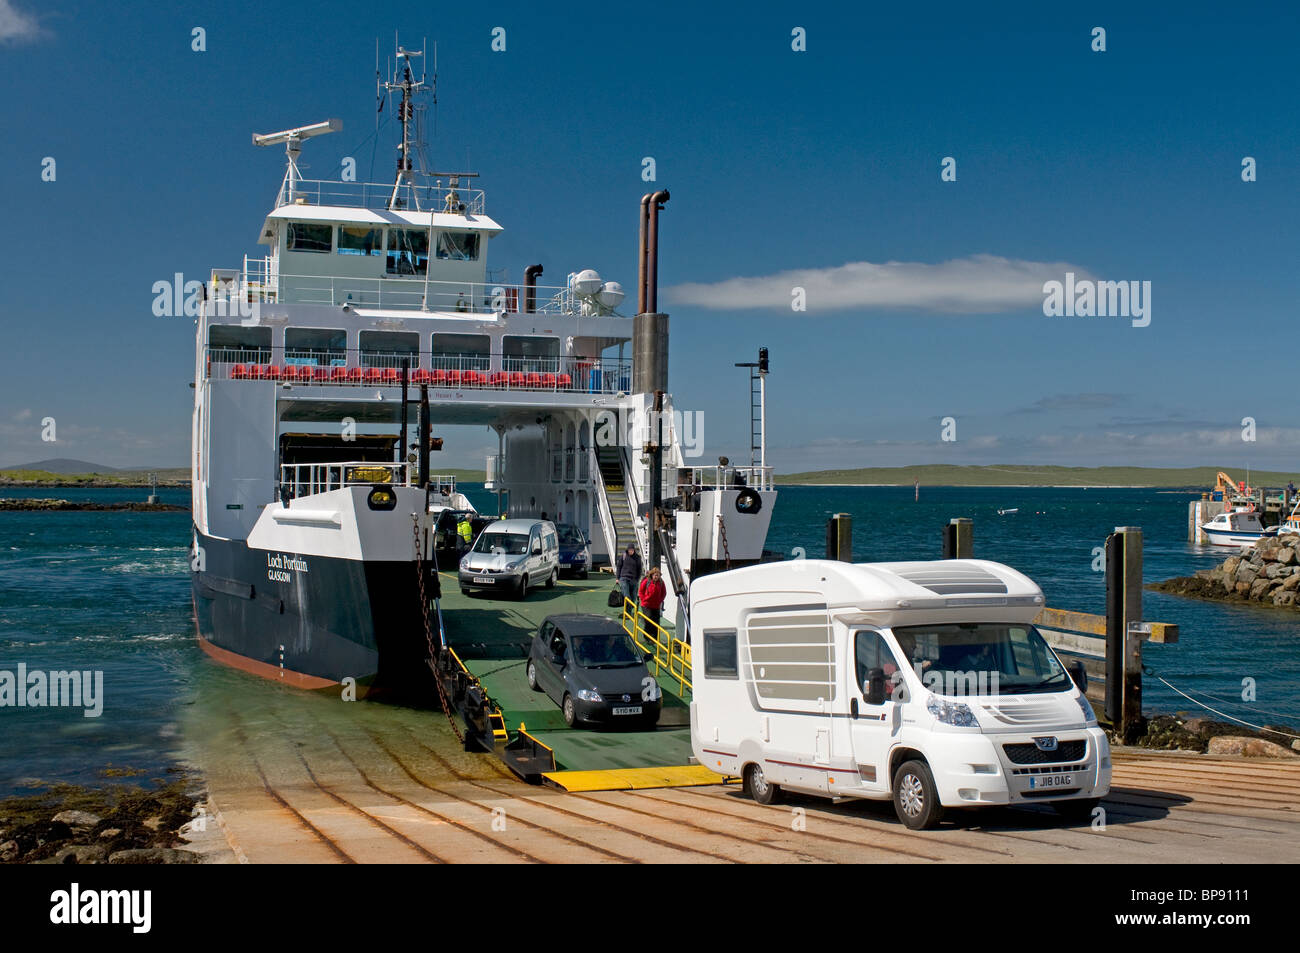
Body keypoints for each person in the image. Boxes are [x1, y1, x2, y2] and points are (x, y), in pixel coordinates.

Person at [638, 567, 667, 635]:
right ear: (652, 575)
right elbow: (641, 591)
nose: (656, 577)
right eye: (655, 575)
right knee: (648, 619)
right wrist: (644, 599)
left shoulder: (661, 582)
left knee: (656, 622)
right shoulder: (647, 581)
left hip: (656, 605)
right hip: (646, 605)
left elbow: (664, 592)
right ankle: (647, 636)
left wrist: (660, 600)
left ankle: (655, 637)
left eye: (658, 575)